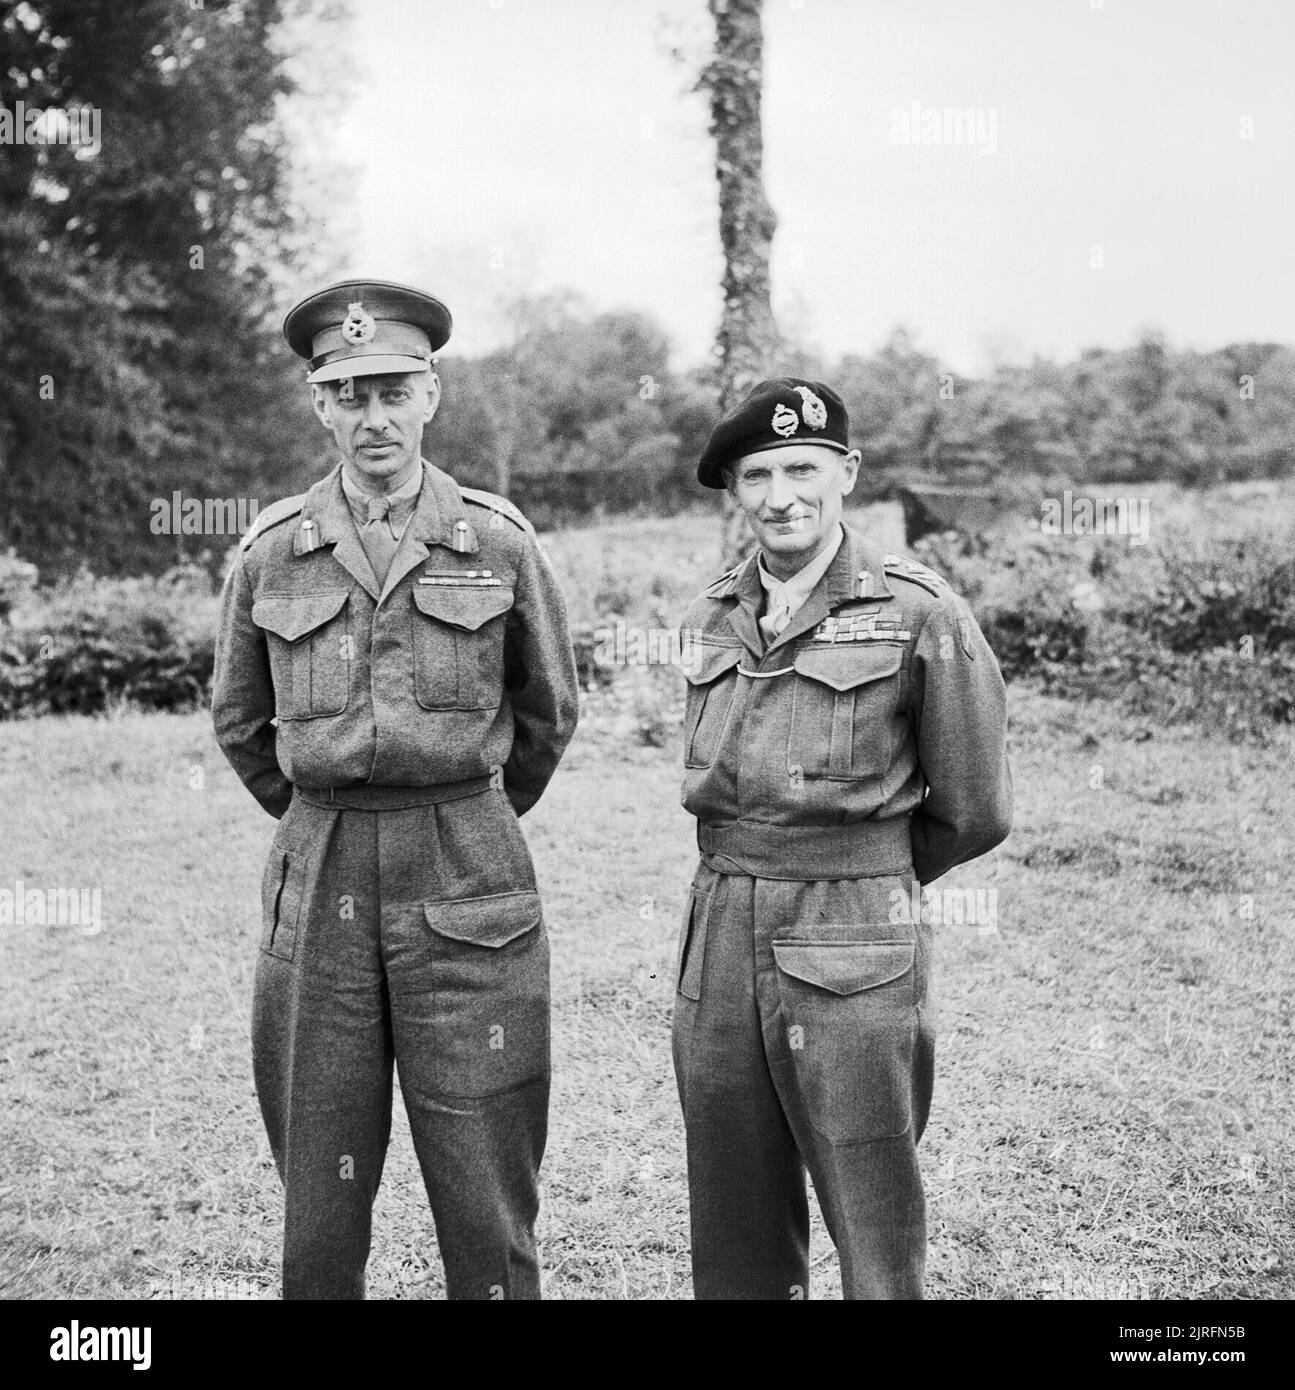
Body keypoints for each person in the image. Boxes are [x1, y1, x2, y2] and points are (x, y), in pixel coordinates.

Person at [211, 279, 579, 1300]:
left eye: (393, 390)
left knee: (485, 1178)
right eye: (348, 392)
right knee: (320, 1192)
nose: (373, 416)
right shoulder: (272, 548)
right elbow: (241, 724)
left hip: (467, 867)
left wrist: (463, 811)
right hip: (320, 864)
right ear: (319, 404)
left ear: (431, 394)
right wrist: (321, 814)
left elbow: (548, 711)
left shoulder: (497, 539)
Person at [672, 376, 1012, 1299]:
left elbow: (976, 806)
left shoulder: (917, 612)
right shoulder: (709, 615)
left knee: (869, 1196)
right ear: (735, 492)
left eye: (800, 468)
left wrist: (868, 879)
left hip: (854, 931)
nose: (779, 495)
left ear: (845, 473)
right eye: (755, 476)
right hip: (719, 925)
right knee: (732, 1201)